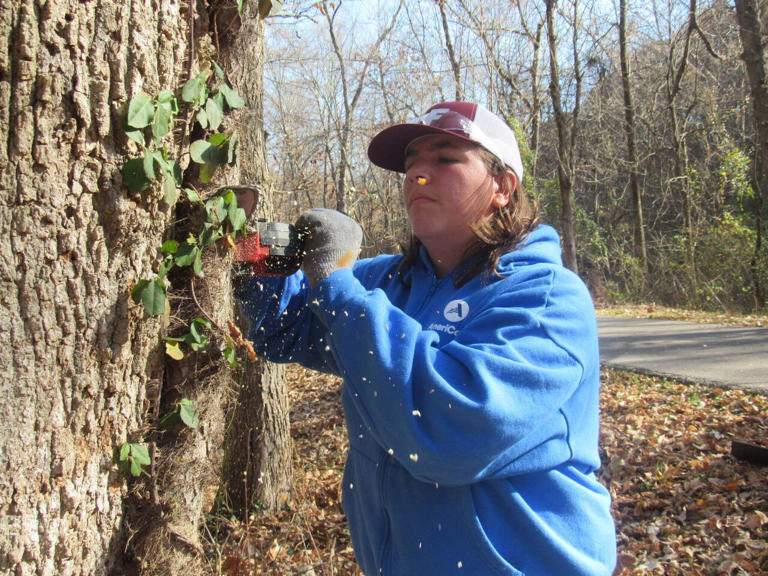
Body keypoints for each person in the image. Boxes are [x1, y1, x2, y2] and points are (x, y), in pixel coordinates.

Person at [234, 101, 617, 575]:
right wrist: (258, 257)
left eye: (445, 159)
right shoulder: (386, 284)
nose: (417, 173)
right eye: (411, 162)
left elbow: (447, 431)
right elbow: (287, 329)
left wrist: (335, 282)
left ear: (503, 186)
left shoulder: (547, 296)